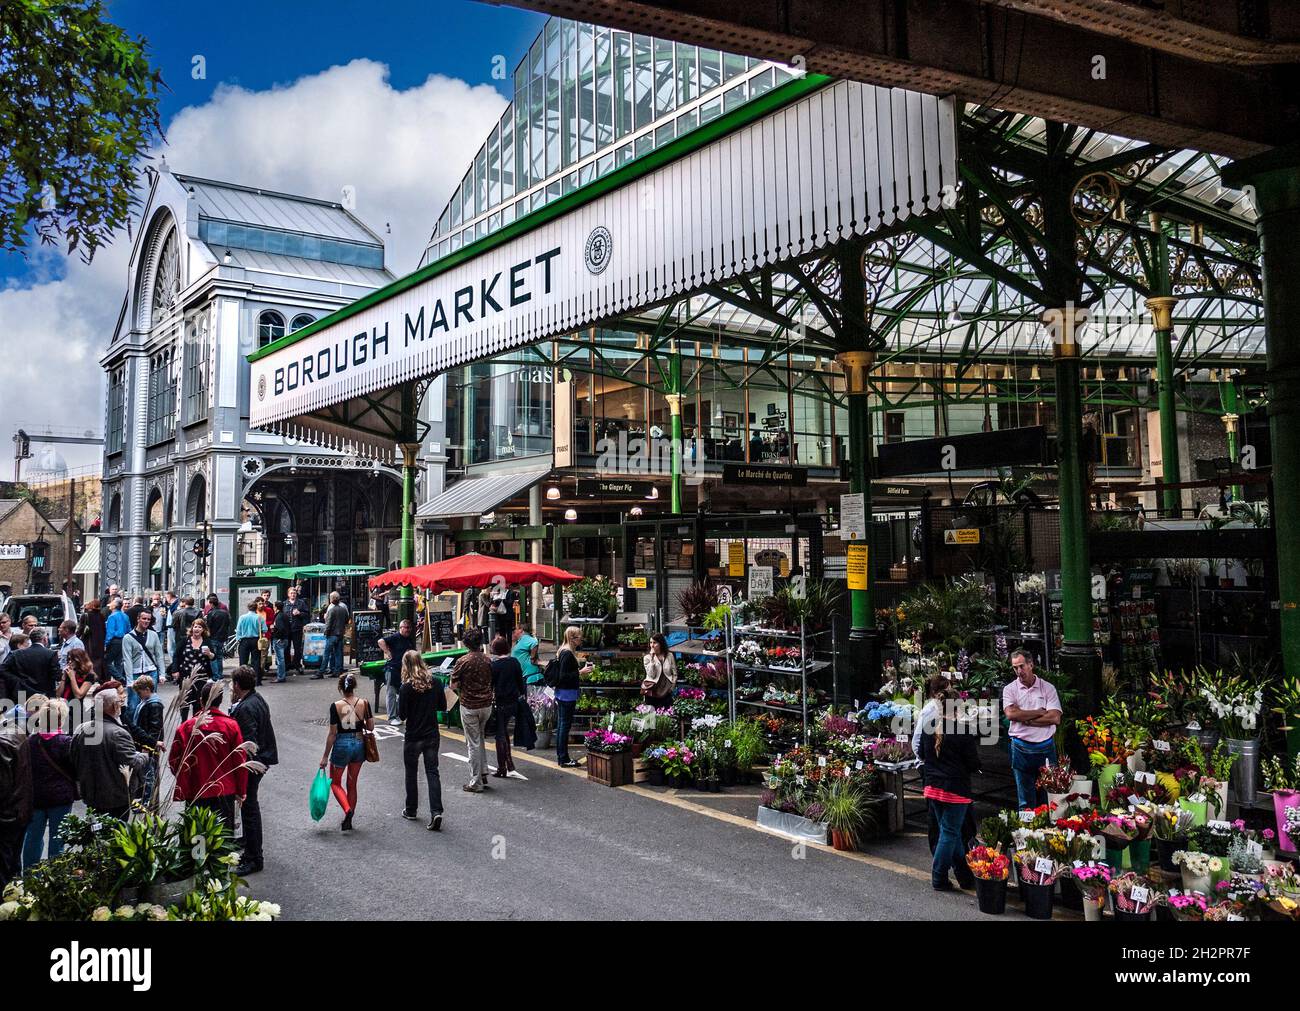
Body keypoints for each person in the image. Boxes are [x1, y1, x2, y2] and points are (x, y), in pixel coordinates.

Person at [919, 697, 981, 892]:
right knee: (949, 834)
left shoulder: (929, 726)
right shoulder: (963, 732)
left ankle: (964, 876)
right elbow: (973, 763)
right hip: (955, 790)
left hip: (933, 787)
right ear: (957, 709)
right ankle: (938, 877)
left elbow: (921, 753)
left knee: (949, 834)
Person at [168, 680, 246, 830]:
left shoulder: (186, 728)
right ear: (221, 700)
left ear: (201, 701)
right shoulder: (230, 726)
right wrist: (241, 790)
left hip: (196, 790)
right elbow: (239, 761)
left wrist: (186, 778)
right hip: (224, 789)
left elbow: (174, 761)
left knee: (196, 836)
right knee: (222, 838)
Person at [70, 683, 149, 820]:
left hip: (90, 793)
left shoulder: (81, 729)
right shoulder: (118, 733)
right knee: (117, 834)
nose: (121, 704)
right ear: (114, 706)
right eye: (119, 701)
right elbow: (132, 762)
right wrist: (144, 755)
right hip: (115, 795)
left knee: (97, 832)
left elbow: (72, 758)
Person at [230, 665, 277, 874]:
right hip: (263, 758)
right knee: (249, 807)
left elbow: (249, 741)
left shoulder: (246, 707)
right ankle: (249, 844)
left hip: (253, 762)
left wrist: (243, 768)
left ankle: (254, 856)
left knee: (249, 808)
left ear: (237, 685)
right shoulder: (255, 700)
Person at [1001, 649, 1062, 809]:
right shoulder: (1010, 689)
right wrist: (1039, 712)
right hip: (1021, 747)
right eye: (1015, 668)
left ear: (1031, 665)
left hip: (1045, 747)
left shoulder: (1047, 688)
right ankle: (1027, 831)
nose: (1019, 671)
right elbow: (1011, 714)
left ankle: (1049, 830)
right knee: (1025, 799)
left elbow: (1055, 717)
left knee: (1048, 795)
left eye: (1021, 666)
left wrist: (1027, 720)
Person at [22, 697, 76, 870]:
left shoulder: (30, 741)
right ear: (61, 719)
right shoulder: (65, 742)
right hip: (60, 797)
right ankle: (55, 876)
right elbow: (74, 770)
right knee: (58, 839)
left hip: (36, 797)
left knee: (33, 838)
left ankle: (31, 877)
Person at [397, 650, 445, 830]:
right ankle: (436, 811)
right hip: (432, 734)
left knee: (411, 773)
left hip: (413, 736)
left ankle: (411, 809)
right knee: (432, 772)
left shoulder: (406, 688)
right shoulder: (436, 682)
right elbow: (443, 706)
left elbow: (402, 715)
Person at [318, 673, 372, 831]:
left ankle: (347, 810)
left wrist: (325, 756)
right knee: (352, 783)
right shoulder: (364, 703)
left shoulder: (336, 706)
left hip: (342, 744)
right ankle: (350, 816)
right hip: (359, 744)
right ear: (354, 686)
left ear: (340, 688)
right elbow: (370, 727)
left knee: (335, 782)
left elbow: (332, 734)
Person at [450, 628, 495, 793]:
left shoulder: (462, 661)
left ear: (465, 643)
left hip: (469, 705)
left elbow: (453, 685)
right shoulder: (487, 660)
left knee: (473, 743)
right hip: (486, 705)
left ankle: (475, 781)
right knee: (480, 738)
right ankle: (483, 772)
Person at [552, 625, 593, 768]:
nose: (581, 640)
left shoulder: (563, 649)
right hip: (567, 694)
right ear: (572, 638)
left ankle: (561, 757)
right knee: (564, 726)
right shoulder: (567, 653)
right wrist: (580, 672)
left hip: (563, 693)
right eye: (579, 637)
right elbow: (564, 676)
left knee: (562, 725)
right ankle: (563, 758)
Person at [0, 717, 32, 885]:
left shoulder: (2, 741)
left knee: (5, 869)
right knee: (13, 866)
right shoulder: (16, 731)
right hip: (20, 811)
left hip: (6, 816)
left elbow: (2, 787)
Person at [489, 635, 524, 779]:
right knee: (504, 734)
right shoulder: (514, 662)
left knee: (500, 735)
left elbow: (491, 685)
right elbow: (520, 682)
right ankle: (509, 763)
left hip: (501, 703)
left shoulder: (494, 666)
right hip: (514, 701)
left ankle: (502, 767)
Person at [121, 608, 165, 721]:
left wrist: (162, 674)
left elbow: (159, 655)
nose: (146, 621)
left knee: (151, 703)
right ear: (138, 619)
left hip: (151, 672)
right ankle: (132, 730)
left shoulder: (153, 635)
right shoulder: (128, 638)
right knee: (133, 704)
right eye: (144, 618)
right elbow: (127, 659)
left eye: (148, 619)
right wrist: (129, 679)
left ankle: (149, 728)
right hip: (135, 674)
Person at [129, 675, 166, 805]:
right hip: (144, 743)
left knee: (149, 775)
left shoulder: (154, 704)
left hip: (148, 746)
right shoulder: (147, 701)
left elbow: (155, 729)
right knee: (145, 774)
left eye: (139, 692)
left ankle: (148, 802)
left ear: (147, 689)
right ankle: (146, 800)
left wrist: (148, 745)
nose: (138, 695)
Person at [171, 617, 216, 720]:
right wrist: (175, 670)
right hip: (185, 676)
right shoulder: (184, 640)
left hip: (201, 676)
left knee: (198, 702)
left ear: (203, 630)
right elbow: (176, 656)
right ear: (192, 628)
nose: (197, 629)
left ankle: (195, 723)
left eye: (200, 627)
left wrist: (209, 653)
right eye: (195, 626)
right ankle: (184, 722)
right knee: (185, 701)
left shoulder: (207, 642)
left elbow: (214, 657)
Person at [1, 627, 61, 700]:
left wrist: (17, 681)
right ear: (45, 639)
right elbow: (57, 676)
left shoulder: (18, 653)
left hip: (23, 693)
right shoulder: (51, 654)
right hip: (44, 694)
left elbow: (2, 669)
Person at [379, 618, 415, 726]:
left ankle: (400, 715)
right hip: (392, 669)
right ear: (401, 628)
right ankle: (392, 717)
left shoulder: (409, 639)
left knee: (402, 693)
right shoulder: (395, 637)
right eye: (406, 628)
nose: (408, 630)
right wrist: (387, 652)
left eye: (410, 628)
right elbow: (380, 641)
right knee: (391, 693)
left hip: (404, 670)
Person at [641, 633, 678, 709]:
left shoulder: (669, 655)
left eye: (655, 643)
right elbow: (652, 675)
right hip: (652, 690)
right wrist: (652, 659)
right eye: (650, 642)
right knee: (651, 715)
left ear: (661, 643)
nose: (652, 645)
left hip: (666, 690)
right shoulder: (647, 658)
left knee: (666, 713)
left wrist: (672, 687)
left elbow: (674, 673)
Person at [319, 591, 349, 680]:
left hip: (332, 634)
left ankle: (321, 671)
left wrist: (326, 633)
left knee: (326, 654)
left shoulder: (331, 610)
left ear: (331, 599)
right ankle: (338, 670)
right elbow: (347, 620)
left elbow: (328, 624)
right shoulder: (343, 609)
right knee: (338, 653)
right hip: (340, 634)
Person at [236, 600, 264, 686]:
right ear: (256, 608)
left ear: (248, 608)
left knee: (243, 661)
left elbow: (238, 630)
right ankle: (257, 681)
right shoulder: (259, 617)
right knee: (256, 660)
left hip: (244, 640)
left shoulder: (242, 617)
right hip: (255, 640)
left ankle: (242, 681)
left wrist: (238, 639)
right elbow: (265, 629)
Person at [285, 587, 311, 673]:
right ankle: (287, 665)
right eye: (291, 593)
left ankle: (297, 665)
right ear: (288, 594)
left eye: (294, 593)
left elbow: (307, 614)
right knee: (286, 647)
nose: (293, 595)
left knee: (297, 648)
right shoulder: (285, 604)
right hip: (287, 629)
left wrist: (300, 613)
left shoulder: (301, 603)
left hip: (297, 628)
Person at [104, 597, 129, 682]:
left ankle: (120, 678)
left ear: (114, 606)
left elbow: (110, 632)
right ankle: (119, 682)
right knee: (119, 663)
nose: (110, 604)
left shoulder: (112, 617)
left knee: (107, 662)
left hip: (115, 641)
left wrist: (106, 644)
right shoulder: (125, 616)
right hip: (124, 640)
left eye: (112, 603)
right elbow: (129, 629)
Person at [270, 600, 292, 683]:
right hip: (285, 639)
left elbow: (281, 628)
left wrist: (275, 631)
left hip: (279, 640)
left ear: (276, 607)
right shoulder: (284, 615)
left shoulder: (278, 617)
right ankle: (281, 675)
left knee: (280, 659)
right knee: (281, 658)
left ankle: (281, 676)